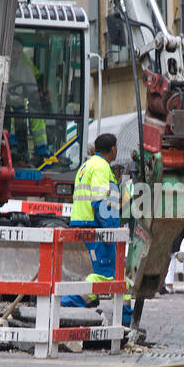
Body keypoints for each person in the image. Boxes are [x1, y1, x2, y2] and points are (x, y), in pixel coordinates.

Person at [61, 133, 130, 322]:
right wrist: (110, 231)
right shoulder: (101, 167)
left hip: (83, 223)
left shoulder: (87, 165)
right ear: (113, 149)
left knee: (105, 271)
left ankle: (123, 315)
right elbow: (100, 201)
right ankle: (68, 300)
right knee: (108, 274)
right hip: (95, 226)